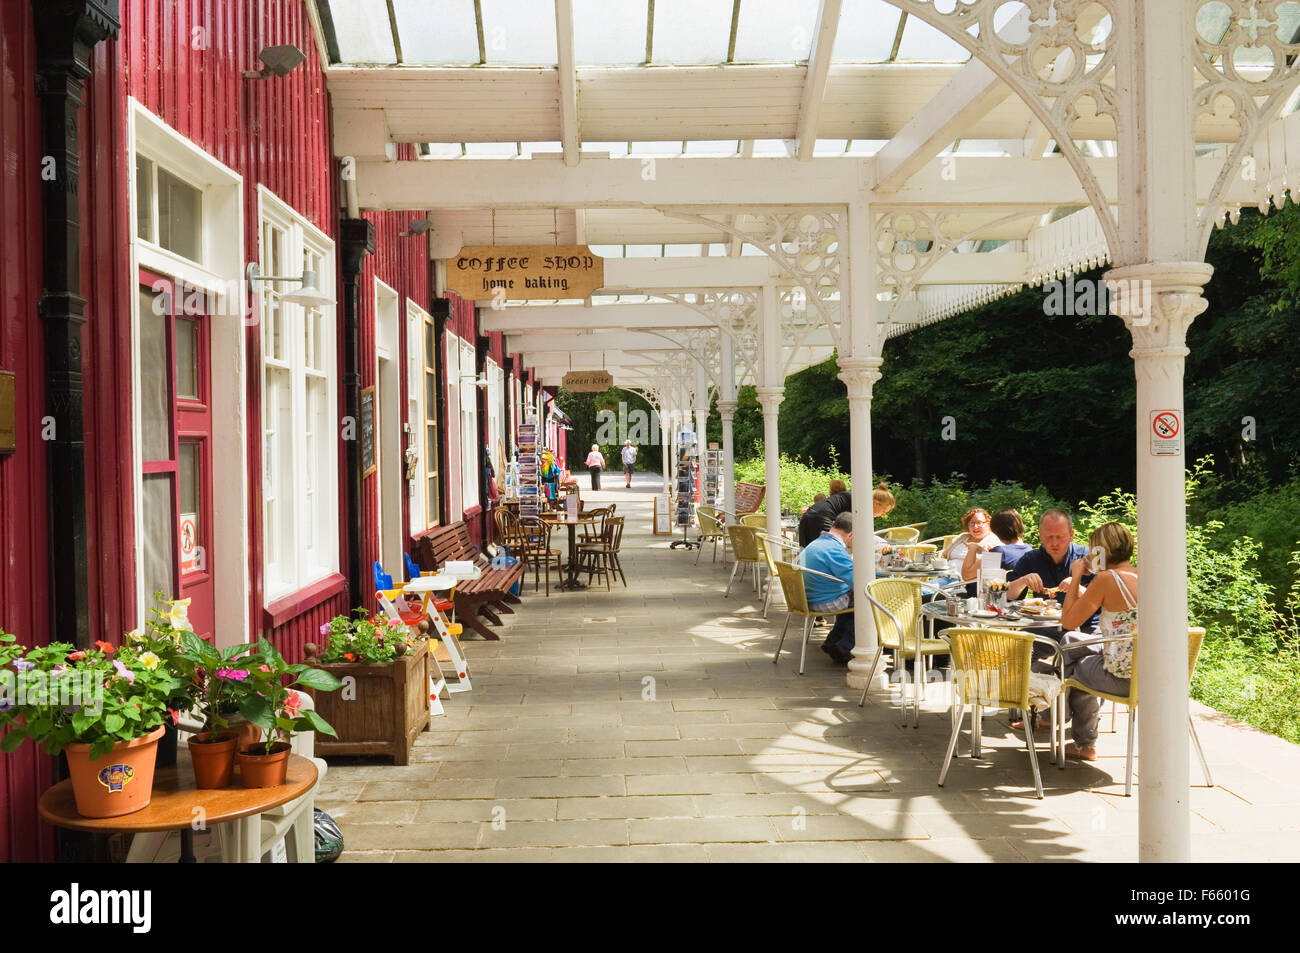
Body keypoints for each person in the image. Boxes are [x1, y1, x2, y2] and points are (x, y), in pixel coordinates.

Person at [1054, 522, 1139, 761]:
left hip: (1126, 679)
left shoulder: (1106, 579)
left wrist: (1077, 575)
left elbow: (1069, 620)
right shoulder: (1142, 573)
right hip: (1152, 672)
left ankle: (1076, 736)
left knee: (1075, 667)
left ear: (1102, 551)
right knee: (1071, 642)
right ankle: (1061, 717)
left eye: (1093, 550)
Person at [798, 512, 856, 665]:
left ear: (833, 525)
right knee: (869, 596)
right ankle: (846, 645)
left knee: (853, 598)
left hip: (808, 598)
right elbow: (858, 581)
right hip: (823, 601)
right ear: (851, 535)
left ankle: (834, 642)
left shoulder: (816, 544)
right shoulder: (834, 550)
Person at [1006, 508, 1093, 601]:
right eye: (1049, 537)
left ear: (1071, 535)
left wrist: (1079, 590)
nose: (1054, 543)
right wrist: (1022, 581)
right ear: (1040, 535)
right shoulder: (1030, 559)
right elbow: (1006, 596)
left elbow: (1107, 601)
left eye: (1060, 537)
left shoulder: (1089, 557)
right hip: (1043, 614)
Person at [960, 509, 1031, 581]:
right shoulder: (1029, 550)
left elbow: (967, 575)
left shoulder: (999, 552)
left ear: (996, 531)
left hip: (983, 592)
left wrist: (972, 549)